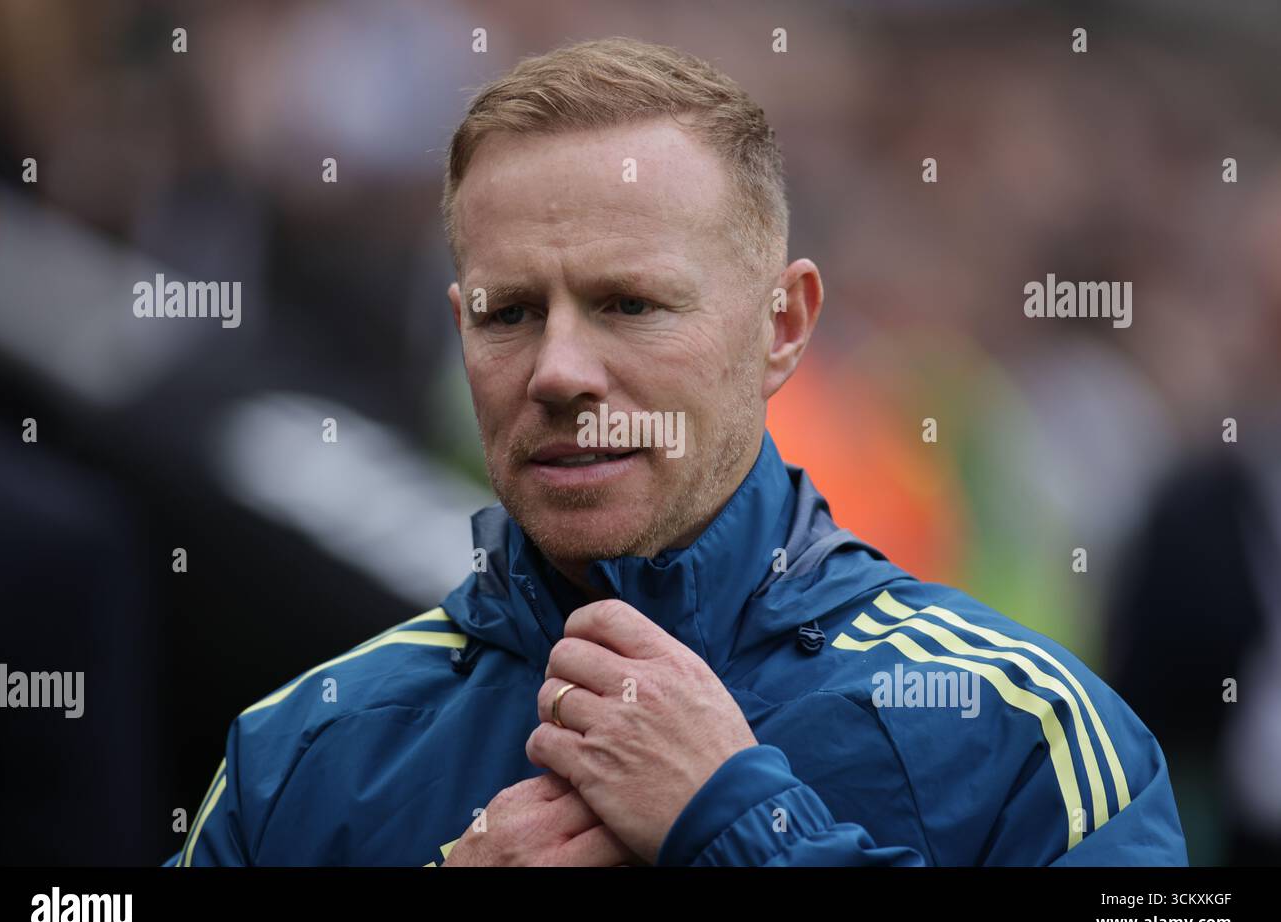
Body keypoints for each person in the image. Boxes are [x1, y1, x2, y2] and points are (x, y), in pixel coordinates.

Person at [165, 36, 1186, 867]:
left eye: (630, 304)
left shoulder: (1024, 735)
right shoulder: (301, 749)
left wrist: (737, 826)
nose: (558, 370)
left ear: (782, 325)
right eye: (509, 312)